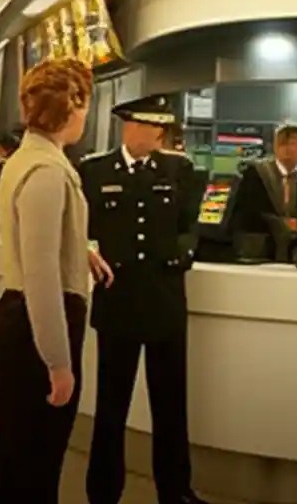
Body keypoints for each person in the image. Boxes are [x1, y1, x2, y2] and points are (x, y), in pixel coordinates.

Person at [0, 59, 113, 503]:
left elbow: (37, 240)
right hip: (33, 329)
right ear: (71, 108)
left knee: (17, 457)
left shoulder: (30, 159)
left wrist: (80, 249)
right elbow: (40, 275)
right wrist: (58, 362)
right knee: (36, 465)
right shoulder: (48, 172)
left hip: (19, 322)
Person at [80, 94, 207, 504]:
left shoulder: (179, 170)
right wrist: (86, 249)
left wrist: (179, 256)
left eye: (162, 129)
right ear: (130, 126)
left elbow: (192, 225)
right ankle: (103, 491)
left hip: (165, 299)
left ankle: (175, 492)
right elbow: (81, 227)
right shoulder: (95, 171)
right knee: (111, 406)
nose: (159, 136)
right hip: (117, 300)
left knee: (170, 406)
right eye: (153, 128)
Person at [229, 123, 297, 257]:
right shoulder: (255, 174)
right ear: (275, 147)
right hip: (258, 248)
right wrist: (282, 224)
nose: (287, 149)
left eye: (293, 144)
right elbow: (248, 211)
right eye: (282, 144)